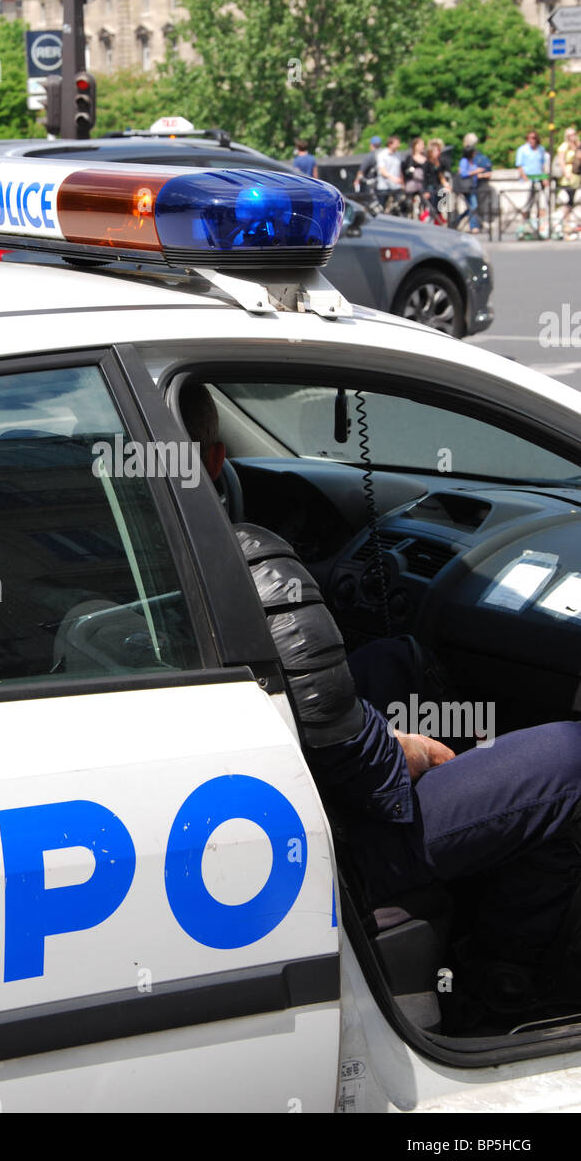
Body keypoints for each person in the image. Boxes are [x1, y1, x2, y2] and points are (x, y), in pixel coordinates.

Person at [179, 382, 581, 1018]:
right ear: (218, 462)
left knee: (396, 663)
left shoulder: (130, 555)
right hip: (318, 842)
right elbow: (371, 773)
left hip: (234, 799)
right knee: (567, 759)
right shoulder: (254, 572)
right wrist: (411, 751)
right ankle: (502, 982)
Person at [455, 133, 492, 233]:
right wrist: (476, 171)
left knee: (472, 207)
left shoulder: (473, 161)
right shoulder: (464, 161)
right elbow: (463, 173)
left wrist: (482, 174)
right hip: (467, 187)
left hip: (473, 185)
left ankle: (457, 221)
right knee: (473, 206)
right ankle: (473, 226)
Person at [516, 128, 549, 229]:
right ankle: (526, 225)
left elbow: (543, 165)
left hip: (539, 179)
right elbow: (520, 166)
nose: (532, 140)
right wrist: (525, 178)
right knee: (526, 205)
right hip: (527, 180)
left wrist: (545, 178)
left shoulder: (541, 149)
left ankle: (541, 226)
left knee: (542, 204)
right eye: (529, 138)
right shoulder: (522, 150)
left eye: (534, 138)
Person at [555, 127, 580, 236]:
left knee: (576, 201)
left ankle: (573, 225)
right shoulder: (564, 146)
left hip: (577, 175)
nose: (572, 137)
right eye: (570, 135)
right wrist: (566, 173)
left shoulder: (578, 145)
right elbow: (561, 161)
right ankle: (564, 224)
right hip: (568, 176)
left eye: (573, 134)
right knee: (568, 201)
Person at [423, 140, 450, 223]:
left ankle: (438, 219)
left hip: (438, 187)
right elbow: (424, 178)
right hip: (430, 187)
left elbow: (441, 175)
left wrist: (446, 184)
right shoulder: (427, 163)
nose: (438, 152)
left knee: (440, 205)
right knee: (432, 206)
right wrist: (425, 191)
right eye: (436, 150)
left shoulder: (439, 163)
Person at [401, 136, 427, 218]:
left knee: (424, 204)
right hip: (411, 185)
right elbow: (404, 171)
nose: (422, 146)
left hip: (423, 185)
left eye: (423, 144)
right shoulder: (409, 158)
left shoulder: (426, 158)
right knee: (409, 204)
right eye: (420, 144)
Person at [375, 136, 403, 210]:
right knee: (383, 208)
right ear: (390, 144)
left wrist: (402, 182)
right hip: (384, 186)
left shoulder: (398, 155)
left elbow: (399, 170)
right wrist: (392, 178)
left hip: (396, 186)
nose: (399, 145)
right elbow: (382, 170)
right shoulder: (382, 155)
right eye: (397, 143)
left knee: (399, 206)